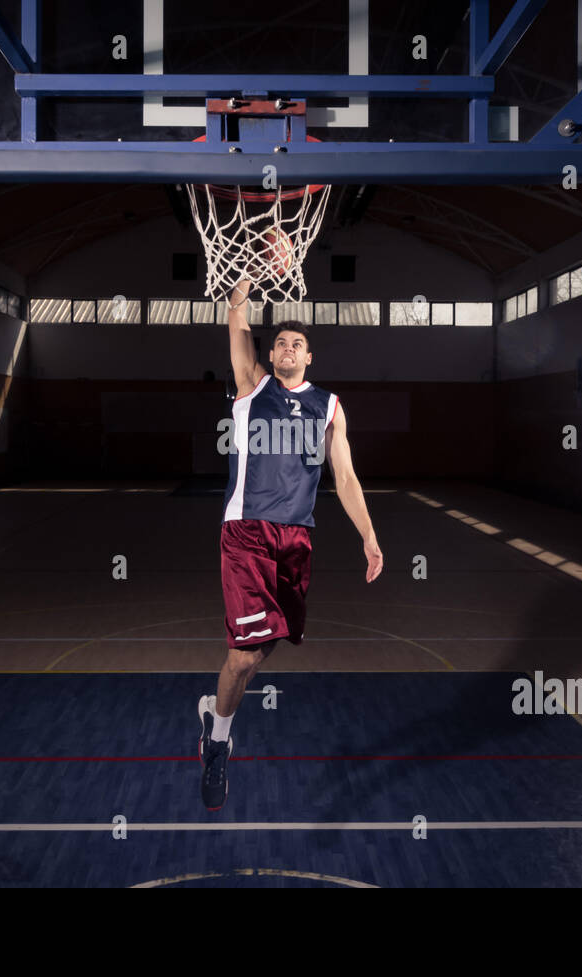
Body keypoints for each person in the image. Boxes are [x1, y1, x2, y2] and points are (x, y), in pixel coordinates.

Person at [199, 279, 383, 810]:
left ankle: (216, 711)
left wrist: (369, 536)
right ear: (270, 354)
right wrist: (240, 288)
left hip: (298, 537)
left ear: (310, 356)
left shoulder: (329, 406)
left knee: (265, 646)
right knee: (242, 654)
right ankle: (216, 744)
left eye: (296, 343)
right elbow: (238, 329)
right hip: (246, 533)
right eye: (278, 342)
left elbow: (345, 479)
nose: (286, 348)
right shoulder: (252, 387)